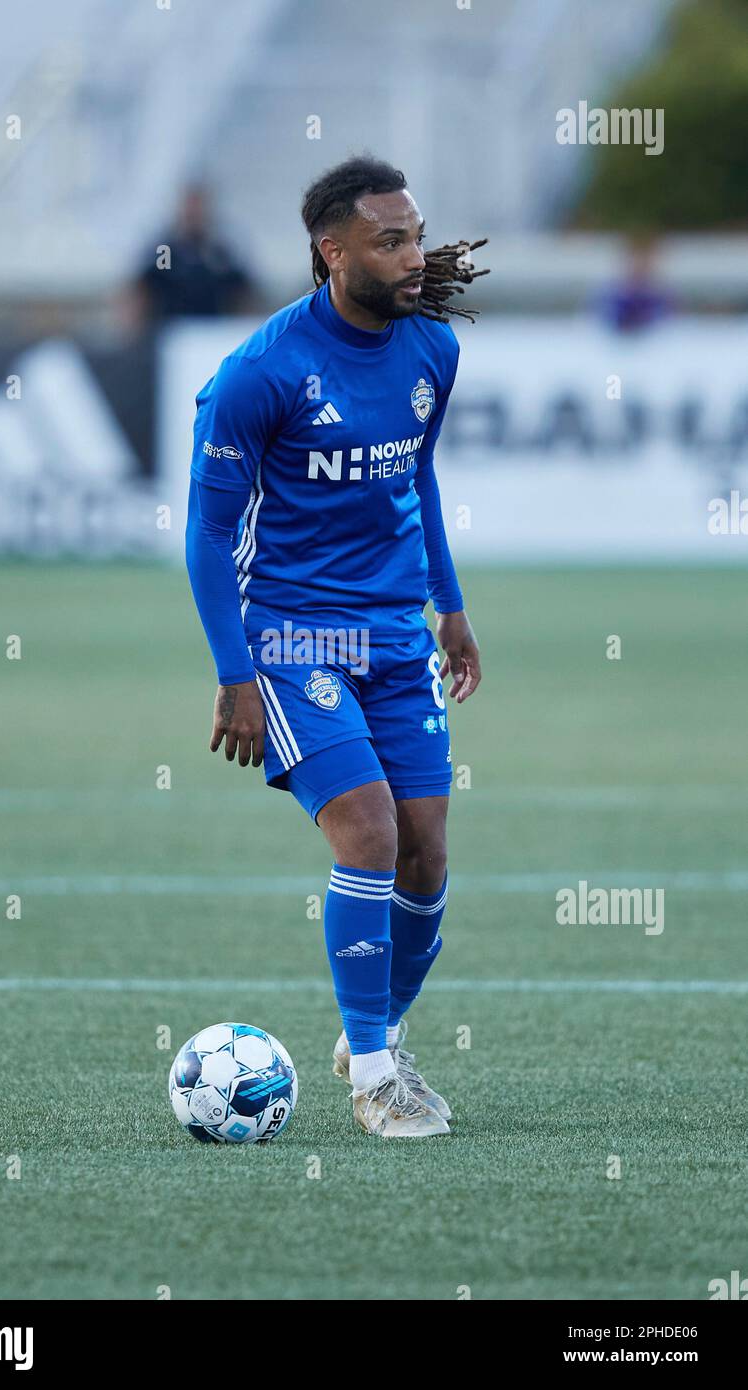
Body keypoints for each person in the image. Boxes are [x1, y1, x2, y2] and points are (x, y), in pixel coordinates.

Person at [185, 155, 484, 1138]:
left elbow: (418, 481)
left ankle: (377, 1033)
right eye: (389, 240)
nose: (413, 255)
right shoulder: (261, 374)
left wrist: (449, 606)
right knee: (367, 831)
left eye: (414, 233)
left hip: (397, 634)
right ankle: (371, 1078)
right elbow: (205, 534)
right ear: (332, 251)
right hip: (289, 633)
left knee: (427, 857)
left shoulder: (430, 348)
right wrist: (235, 674)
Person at [130, 183, 254, 326]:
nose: (195, 214)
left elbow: (241, 290)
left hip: (212, 330)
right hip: (173, 329)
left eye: (199, 208)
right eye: (190, 209)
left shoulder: (220, 252)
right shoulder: (167, 252)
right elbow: (147, 284)